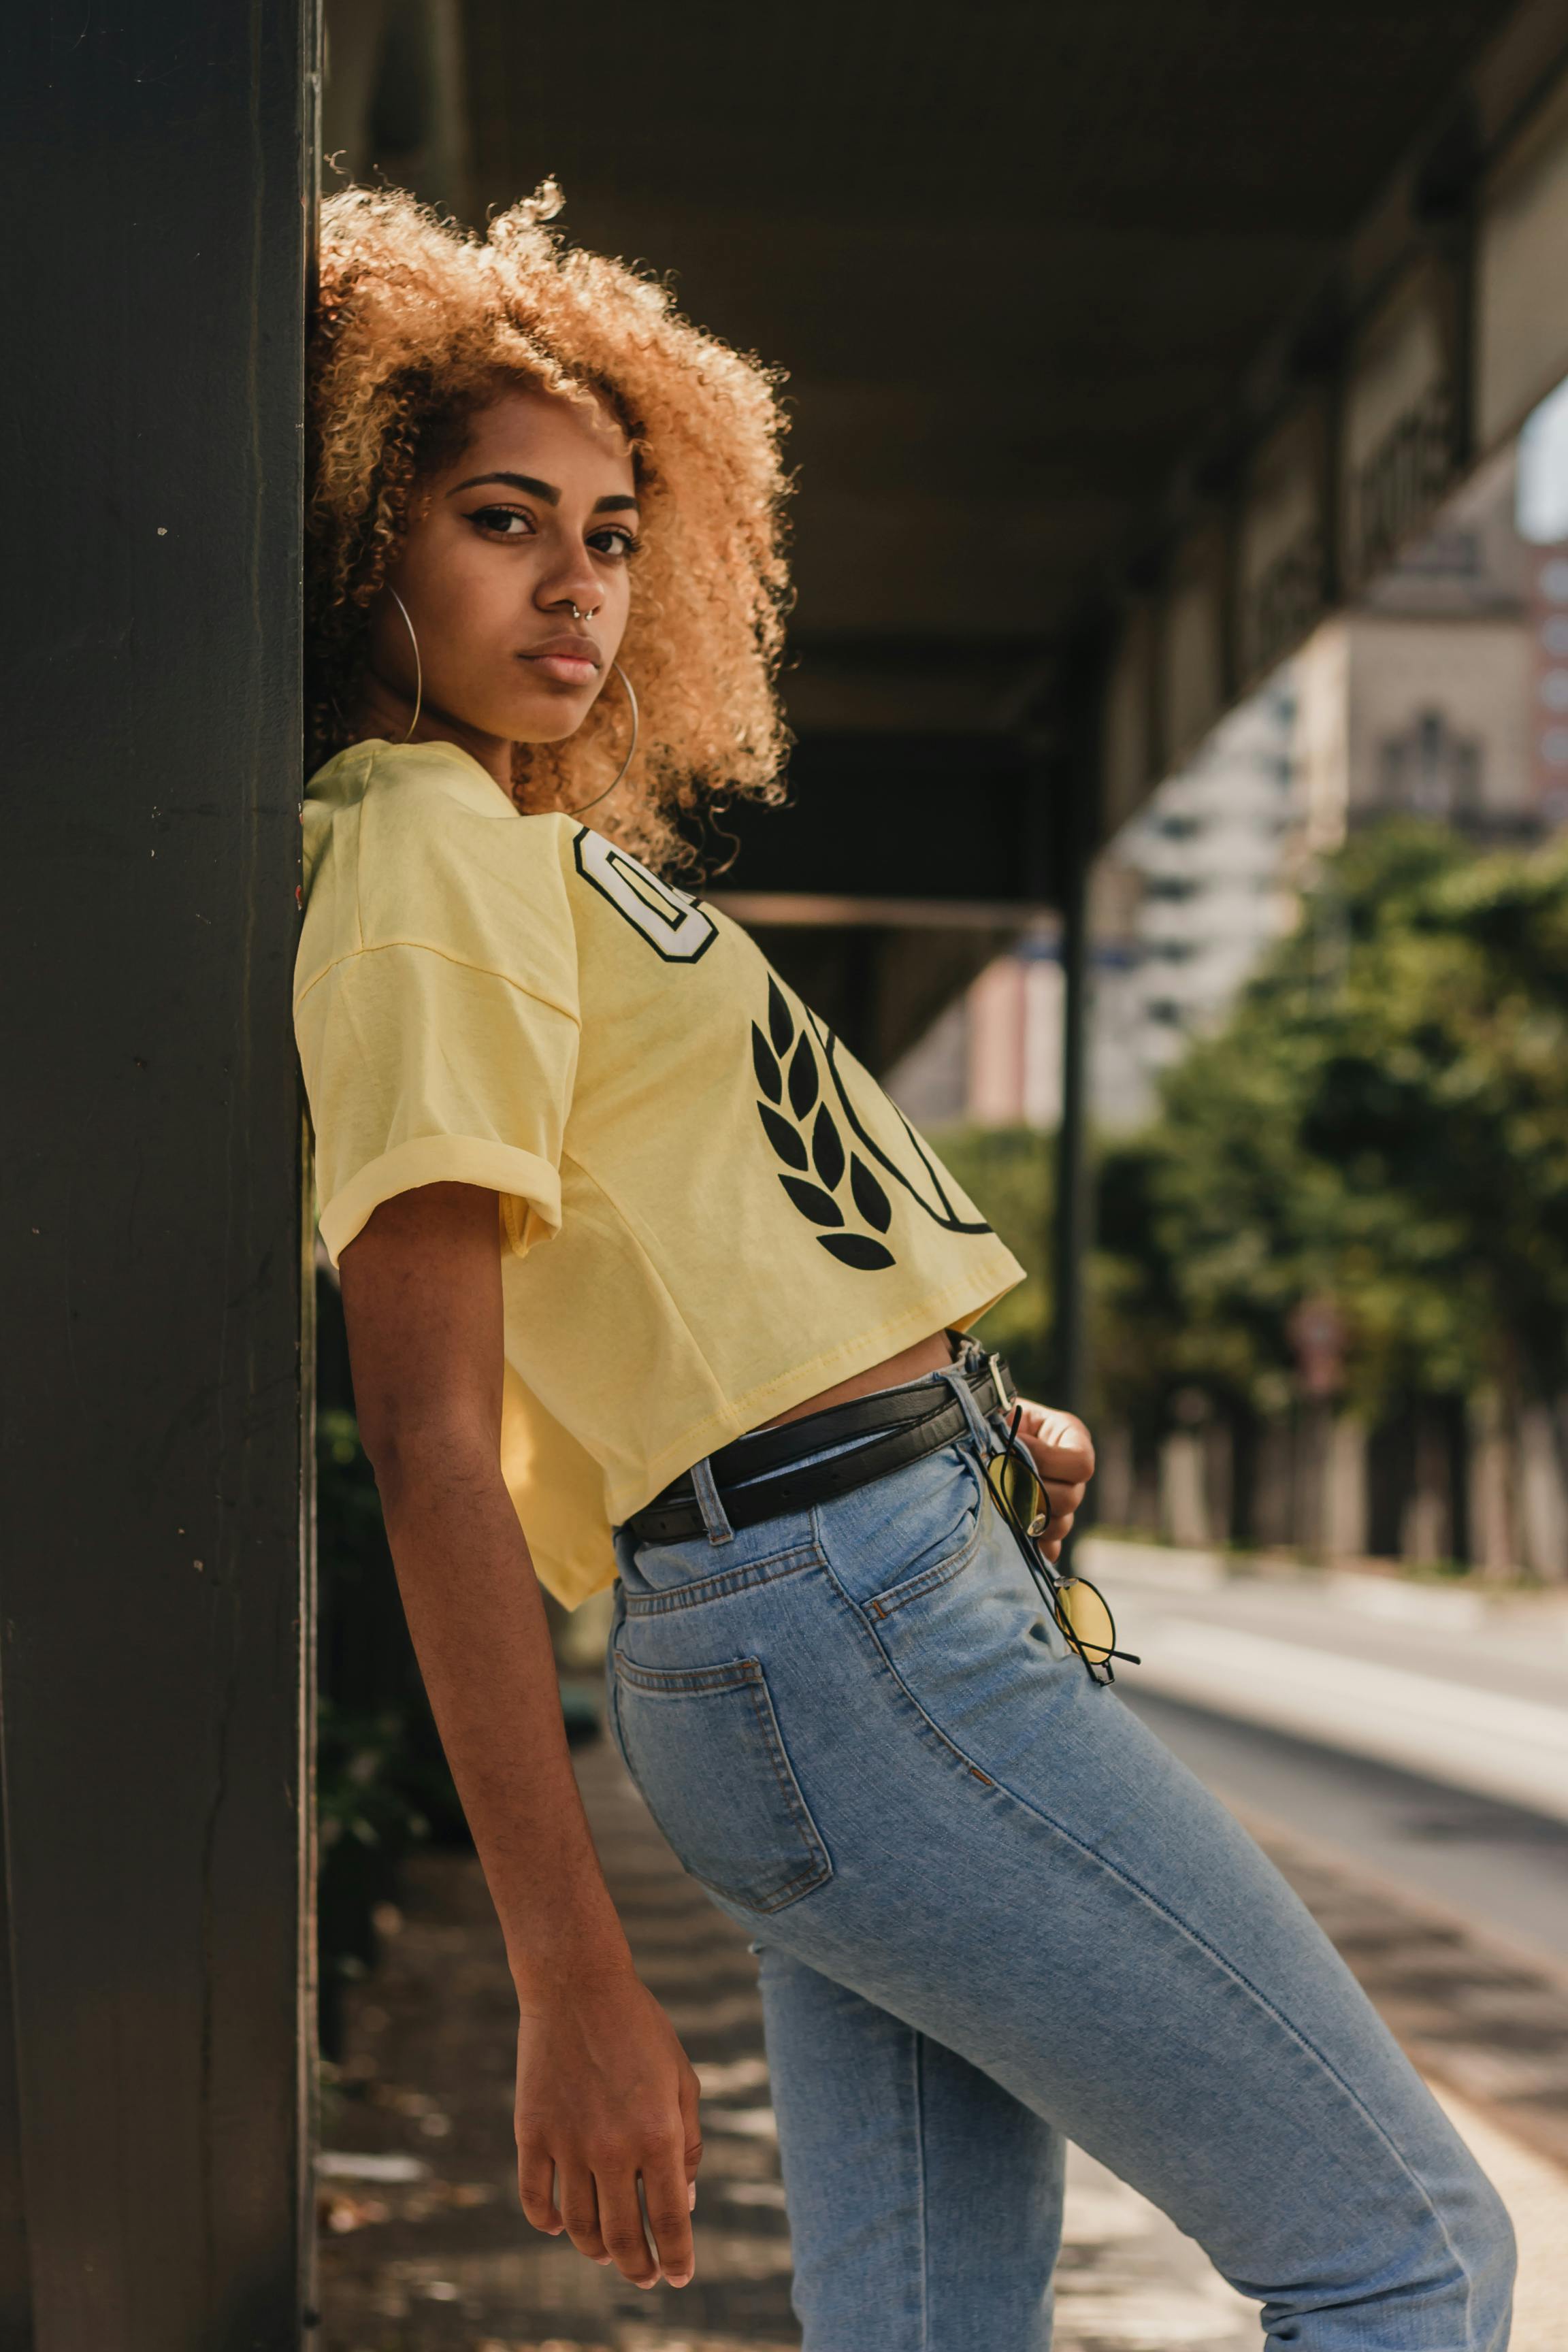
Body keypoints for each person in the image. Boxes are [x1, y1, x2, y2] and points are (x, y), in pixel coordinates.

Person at [295, 182, 1516, 2349]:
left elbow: (695, 1259)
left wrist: (947, 1416)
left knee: (934, 2328)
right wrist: (570, 1970)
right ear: (362, 536)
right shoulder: (417, 862)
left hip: (872, 1590)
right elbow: (425, 1438)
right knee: (1410, 2258)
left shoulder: (502, 845)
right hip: (843, 1632)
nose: (573, 584)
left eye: (605, 532)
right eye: (502, 520)